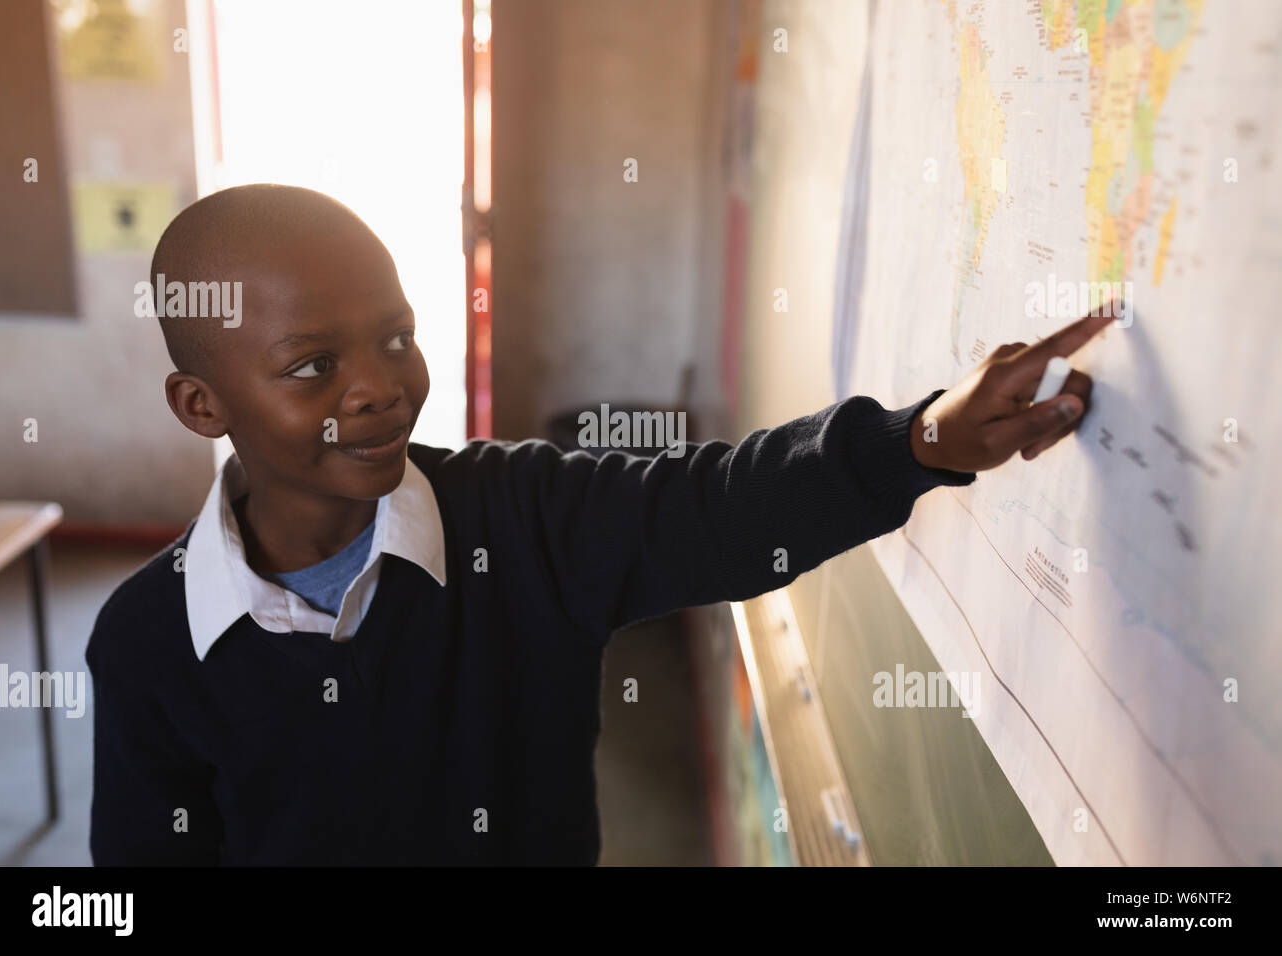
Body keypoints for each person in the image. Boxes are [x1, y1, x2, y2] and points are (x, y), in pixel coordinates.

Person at [86, 184, 1104, 865]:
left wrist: (915, 440)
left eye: (397, 336)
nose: (381, 387)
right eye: (314, 365)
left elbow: (723, 506)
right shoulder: (144, 641)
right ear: (200, 405)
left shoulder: (524, 517)